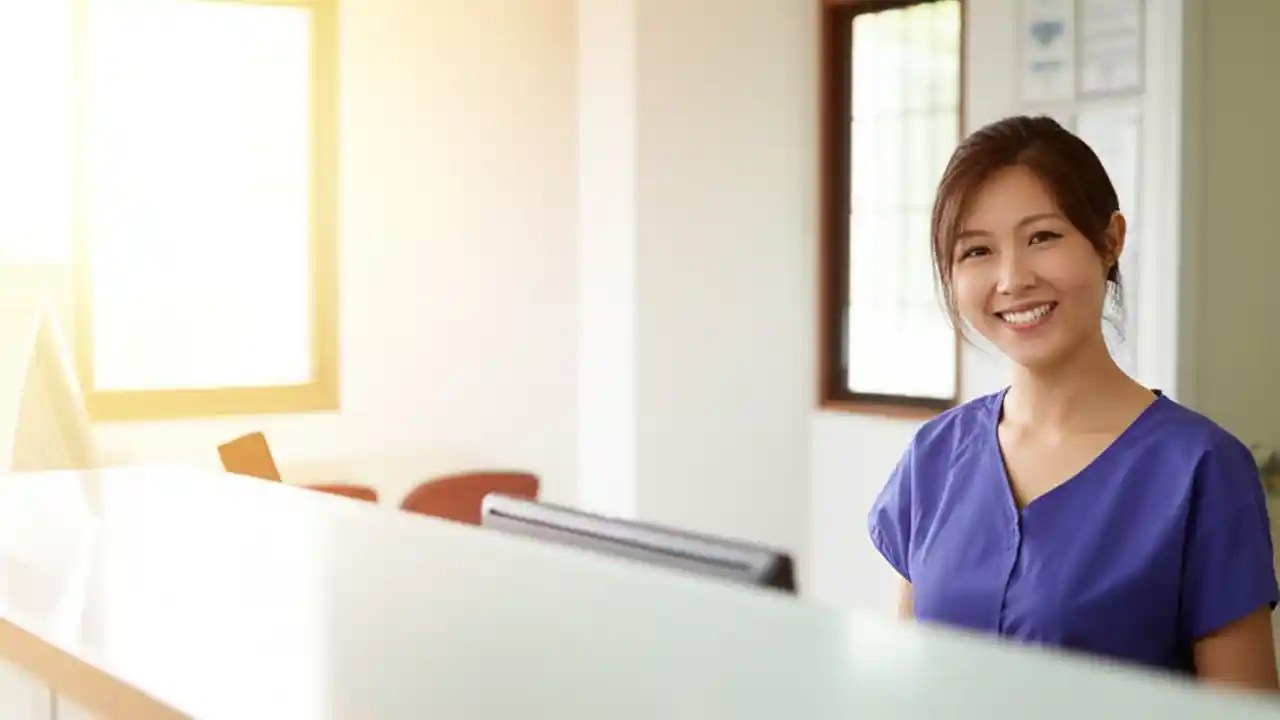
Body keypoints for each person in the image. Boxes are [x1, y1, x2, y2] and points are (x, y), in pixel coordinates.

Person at [867, 115, 1279, 690]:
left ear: (1110, 241)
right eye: (977, 251)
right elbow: (907, 684)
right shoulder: (935, 456)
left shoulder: (1202, 468)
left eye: (1042, 237)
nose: (1011, 279)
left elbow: (1244, 707)